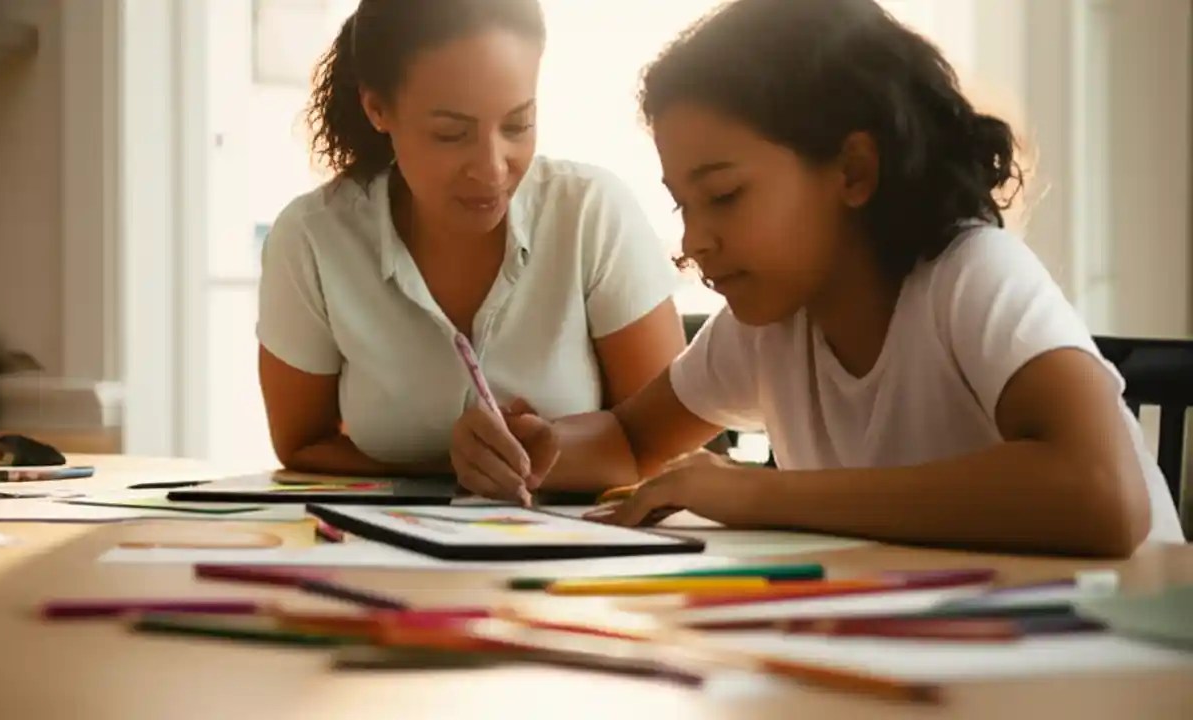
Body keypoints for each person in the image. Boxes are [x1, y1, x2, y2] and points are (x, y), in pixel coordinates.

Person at [451, 0, 1184, 556]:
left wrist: (768, 493)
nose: (693, 240)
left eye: (725, 195)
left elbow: (1103, 497)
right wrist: (539, 448)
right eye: (683, 203)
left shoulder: (971, 276)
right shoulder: (770, 323)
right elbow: (631, 439)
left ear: (853, 170)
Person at [257, 0, 684, 484]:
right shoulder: (312, 239)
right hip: (393, 552)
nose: (493, 167)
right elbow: (304, 445)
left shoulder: (590, 213)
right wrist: (451, 469)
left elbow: (671, 445)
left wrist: (542, 454)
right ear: (378, 109)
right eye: (451, 134)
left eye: (517, 125)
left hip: (578, 551)